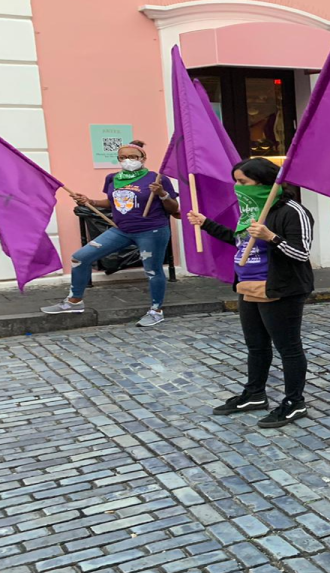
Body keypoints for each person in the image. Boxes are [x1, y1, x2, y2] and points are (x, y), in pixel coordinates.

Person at [186, 158, 315, 429]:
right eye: (236, 181)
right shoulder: (251, 209)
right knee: (256, 346)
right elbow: (240, 241)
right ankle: (255, 394)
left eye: (242, 181)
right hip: (249, 285)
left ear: (263, 181)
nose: (237, 186)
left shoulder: (293, 211)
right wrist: (206, 223)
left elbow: (301, 253)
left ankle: (295, 402)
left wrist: (271, 237)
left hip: (281, 288)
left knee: (288, 348)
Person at [42, 140, 178, 327]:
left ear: (143, 158)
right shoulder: (113, 178)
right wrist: (90, 201)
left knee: (152, 271)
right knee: (80, 258)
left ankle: (156, 311)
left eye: (133, 157)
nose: (128, 160)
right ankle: (74, 301)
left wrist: (162, 193)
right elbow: (112, 202)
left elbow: (173, 208)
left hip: (151, 231)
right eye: (123, 157)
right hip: (121, 230)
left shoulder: (156, 179)